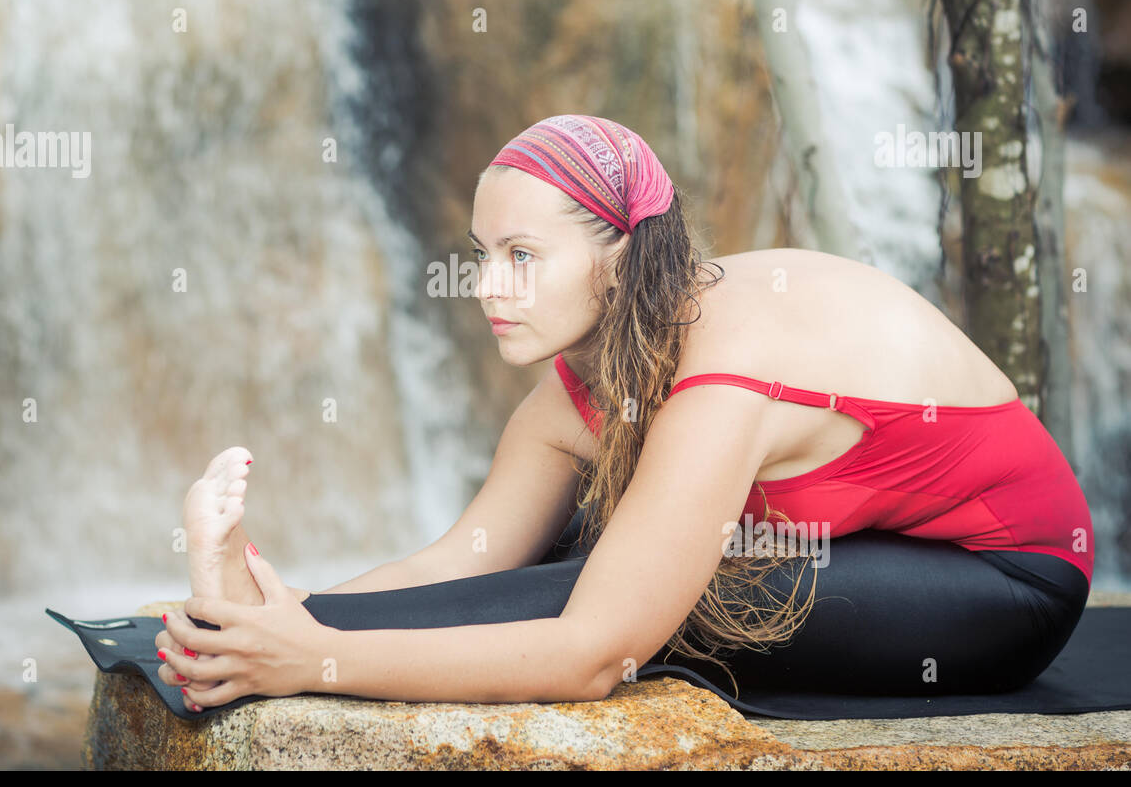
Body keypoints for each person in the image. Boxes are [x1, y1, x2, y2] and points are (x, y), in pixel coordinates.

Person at [155, 114, 1093, 712]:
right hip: (848, 538)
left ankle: (264, 632)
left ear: (616, 260)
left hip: (1002, 580)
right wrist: (299, 613)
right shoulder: (575, 388)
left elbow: (595, 653)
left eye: (523, 254)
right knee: (579, 550)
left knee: (648, 596)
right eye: (481, 252)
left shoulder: (728, 363)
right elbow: (463, 559)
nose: (487, 287)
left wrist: (312, 662)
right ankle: (254, 614)